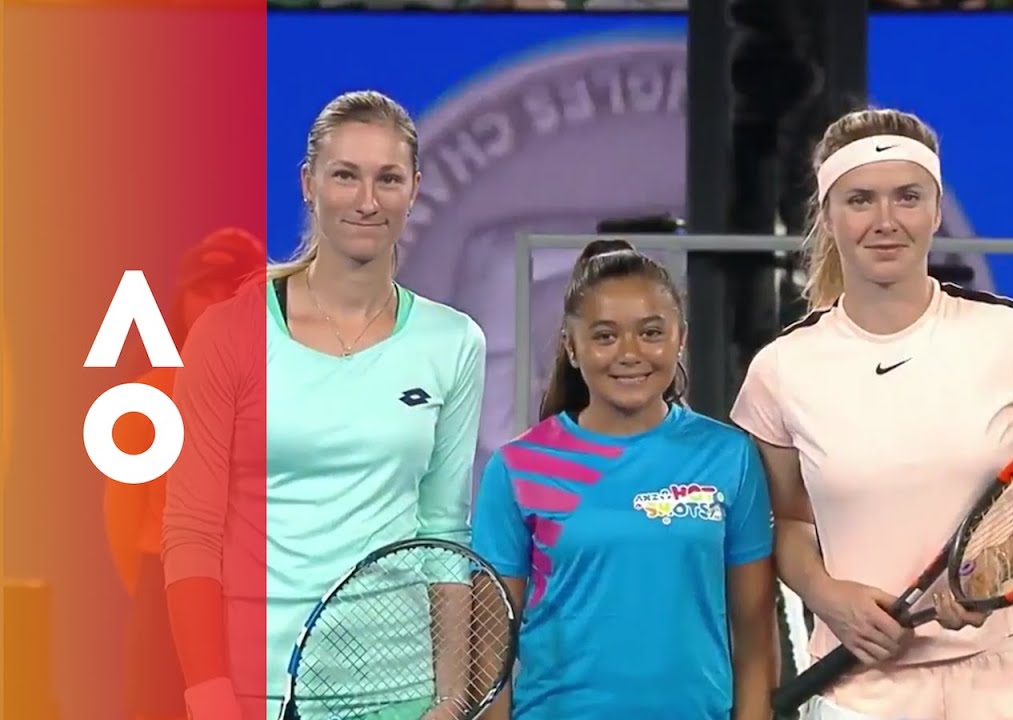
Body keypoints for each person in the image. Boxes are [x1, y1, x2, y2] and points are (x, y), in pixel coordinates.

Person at [730, 107, 1013, 720]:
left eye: (908, 197)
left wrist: (1001, 565)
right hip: (862, 686)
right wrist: (827, 595)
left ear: (936, 210)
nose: (886, 221)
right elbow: (785, 521)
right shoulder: (780, 369)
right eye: (860, 200)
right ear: (829, 215)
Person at [161, 90, 487, 720]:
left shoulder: (454, 342)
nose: (367, 201)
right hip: (256, 693)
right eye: (345, 176)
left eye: (388, 178)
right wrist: (208, 695)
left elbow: (443, 529)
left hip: (401, 692)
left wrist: (450, 700)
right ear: (309, 184)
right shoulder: (227, 334)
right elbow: (192, 532)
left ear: (415, 189)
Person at [470, 239, 778, 720]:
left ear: (680, 338)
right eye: (605, 336)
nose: (630, 353)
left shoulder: (729, 457)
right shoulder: (516, 469)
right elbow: (490, 654)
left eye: (651, 333)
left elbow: (756, 639)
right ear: (572, 347)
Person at [103, 227, 265, 720]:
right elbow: (122, 517)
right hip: (166, 597)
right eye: (202, 290)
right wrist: (170, 601)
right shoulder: (149, 395)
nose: (213, 304)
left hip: (256, 593)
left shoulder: (287, 391)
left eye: (230, 289)